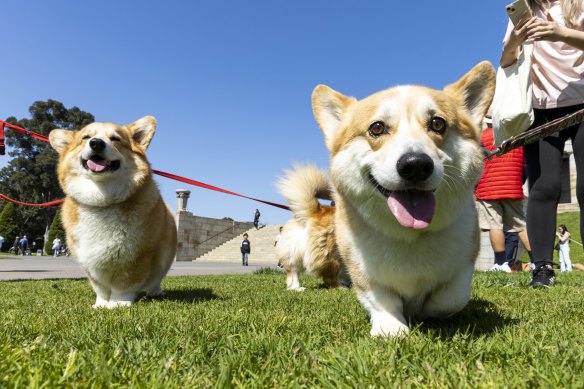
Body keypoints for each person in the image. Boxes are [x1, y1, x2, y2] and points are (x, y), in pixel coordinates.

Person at [500, 0, 584, 286]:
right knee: (543, 187)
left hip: (582, 104)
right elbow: (507, 61)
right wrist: (513, 41)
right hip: (541, 109)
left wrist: (558, 32)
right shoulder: (523, 11)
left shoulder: (577, 5)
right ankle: (542, 268)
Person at [476, 121, 533, 273]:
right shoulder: (517, 137)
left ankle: (501, 264)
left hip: (488, 188)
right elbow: (526, 165)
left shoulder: (481, 137)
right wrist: (519, 182)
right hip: (512, 186)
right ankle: (536, 261)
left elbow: (474, 163)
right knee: (520, 226)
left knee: (494, 225)